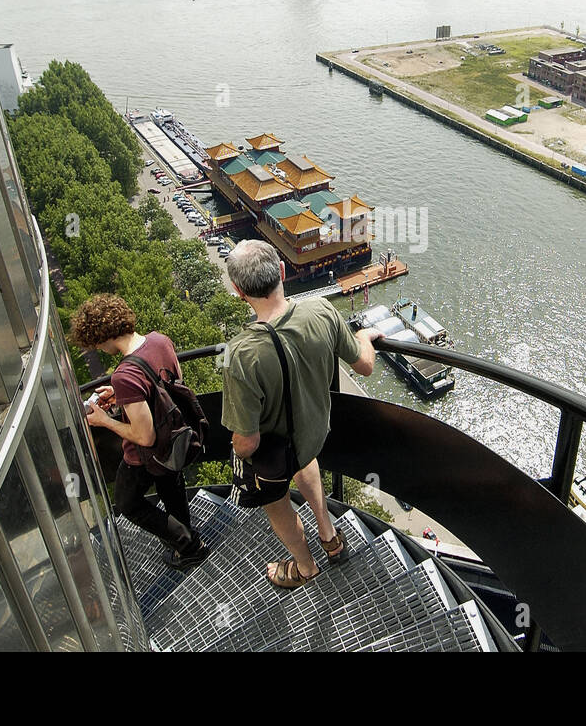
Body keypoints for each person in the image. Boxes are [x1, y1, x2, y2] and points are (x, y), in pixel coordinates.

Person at [221, 240, 377, 589]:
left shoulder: (240, 354)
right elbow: (364, 365)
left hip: (277, 456)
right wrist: (364, 337)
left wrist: (235, 450)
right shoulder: (322, 311)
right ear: (281, 270)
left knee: (278, 508)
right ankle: (330, 536)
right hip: (314, 435)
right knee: (306, 463)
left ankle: (305, 568)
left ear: (238, 290)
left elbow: (247, 441)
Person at [70, 294, 208, 569]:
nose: (97, 347)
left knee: (128, 504)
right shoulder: (159, 340)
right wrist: (121, 395)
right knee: (172, 487)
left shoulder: (125, 375)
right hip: (176, 437)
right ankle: (187, 540)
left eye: (95, 342)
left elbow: (144, 437)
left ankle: (188, 544)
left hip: (145, 455)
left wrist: (104, 421)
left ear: (102, 335)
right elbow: (163, 384)